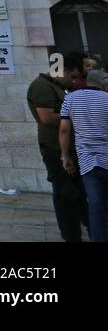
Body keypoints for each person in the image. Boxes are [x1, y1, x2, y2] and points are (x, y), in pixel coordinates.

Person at [28, 51, 88, 241]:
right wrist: (80, 118)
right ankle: (71, 235)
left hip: (70, 148)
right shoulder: (42, 86)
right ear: (62, 71)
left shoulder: (59, 87)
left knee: (76, 193)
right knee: (66, 195)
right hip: (55, 149)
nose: (74, 81)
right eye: (73, 77)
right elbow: (46, 117)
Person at [61, 68, 108, 242]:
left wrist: (65, 156)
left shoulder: (70, 98)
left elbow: (64, 130)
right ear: (103, 83)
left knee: (95, 205)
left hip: (87, 161)